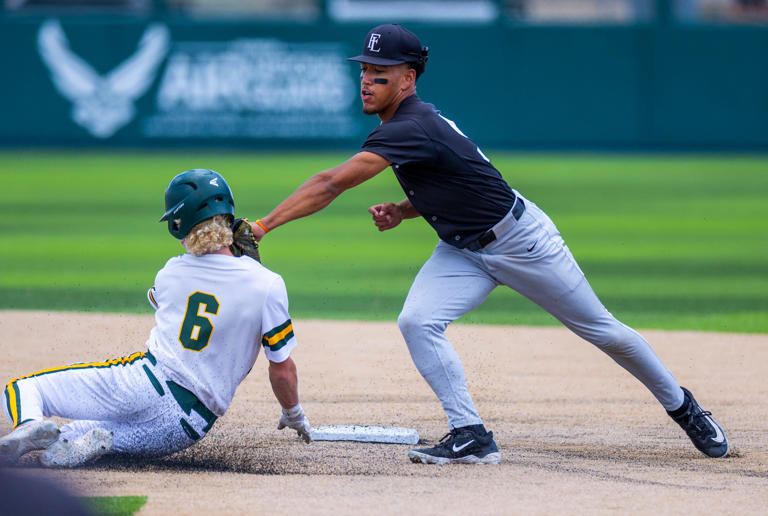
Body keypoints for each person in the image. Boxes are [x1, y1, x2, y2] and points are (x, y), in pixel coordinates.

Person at [247, 24, 729, 464]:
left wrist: (263, 226)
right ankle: (471, 434)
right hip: (463, 249)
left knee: (603, 331)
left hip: (522, 243)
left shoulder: (410, 126)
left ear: (409, 79)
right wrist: (404, 209)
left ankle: (683, 407)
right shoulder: (408, 126)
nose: (367, 80)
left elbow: (330, 183)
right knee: (418, 321)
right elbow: (459, 182)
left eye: (380, 72)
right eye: (365, 70)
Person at [0, 169, 311, 468]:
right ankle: (89, 443)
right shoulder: (267, 284)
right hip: (186, 427)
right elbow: (281, 369)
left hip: (146, 384)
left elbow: (175, 298)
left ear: (180, 225)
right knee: (63, 445)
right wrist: (293, 414)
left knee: (22, 389)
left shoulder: (171, 272)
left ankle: (29, 423)